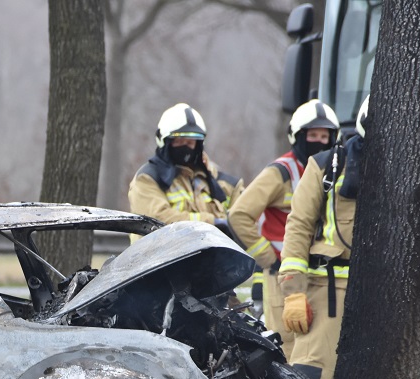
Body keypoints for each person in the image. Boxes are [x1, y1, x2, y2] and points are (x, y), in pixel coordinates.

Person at [229, 99, 340, 356]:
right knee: (288, 345)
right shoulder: (282, 171)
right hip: (284, 275)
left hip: (320, 274)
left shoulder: (334, 171)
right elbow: (240, 214)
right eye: (312, 135)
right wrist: (269, 257)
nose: (319, 141)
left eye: (326, 136)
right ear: (297, 136)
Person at [277, 96, 369, 379]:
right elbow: (299, 225)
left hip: (381, 292)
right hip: (328, 290)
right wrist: (294, 292)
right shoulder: (327, 165)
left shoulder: (408, 168)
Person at [128, 103, 243, 232]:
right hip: (164, 251)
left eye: (190, 142)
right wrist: (212, 222)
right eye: (179, 141)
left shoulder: (223, 184)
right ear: (164, 141)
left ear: (199, 144)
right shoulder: (148, 179)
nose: (185, 147)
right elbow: (157, 219)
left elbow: (243, 220)